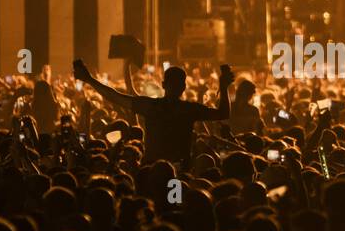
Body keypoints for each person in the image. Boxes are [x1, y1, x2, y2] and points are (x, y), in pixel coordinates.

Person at [73, 58, 233, 167]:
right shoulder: (189, 110)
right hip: (177, 172)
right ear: (183, 87)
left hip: (151, 169)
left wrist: (89, 79)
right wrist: (224, 87)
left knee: (150, 205)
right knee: (173, 206)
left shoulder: (150, 106)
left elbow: (114, 96)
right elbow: (223, 113)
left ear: (163, 84)